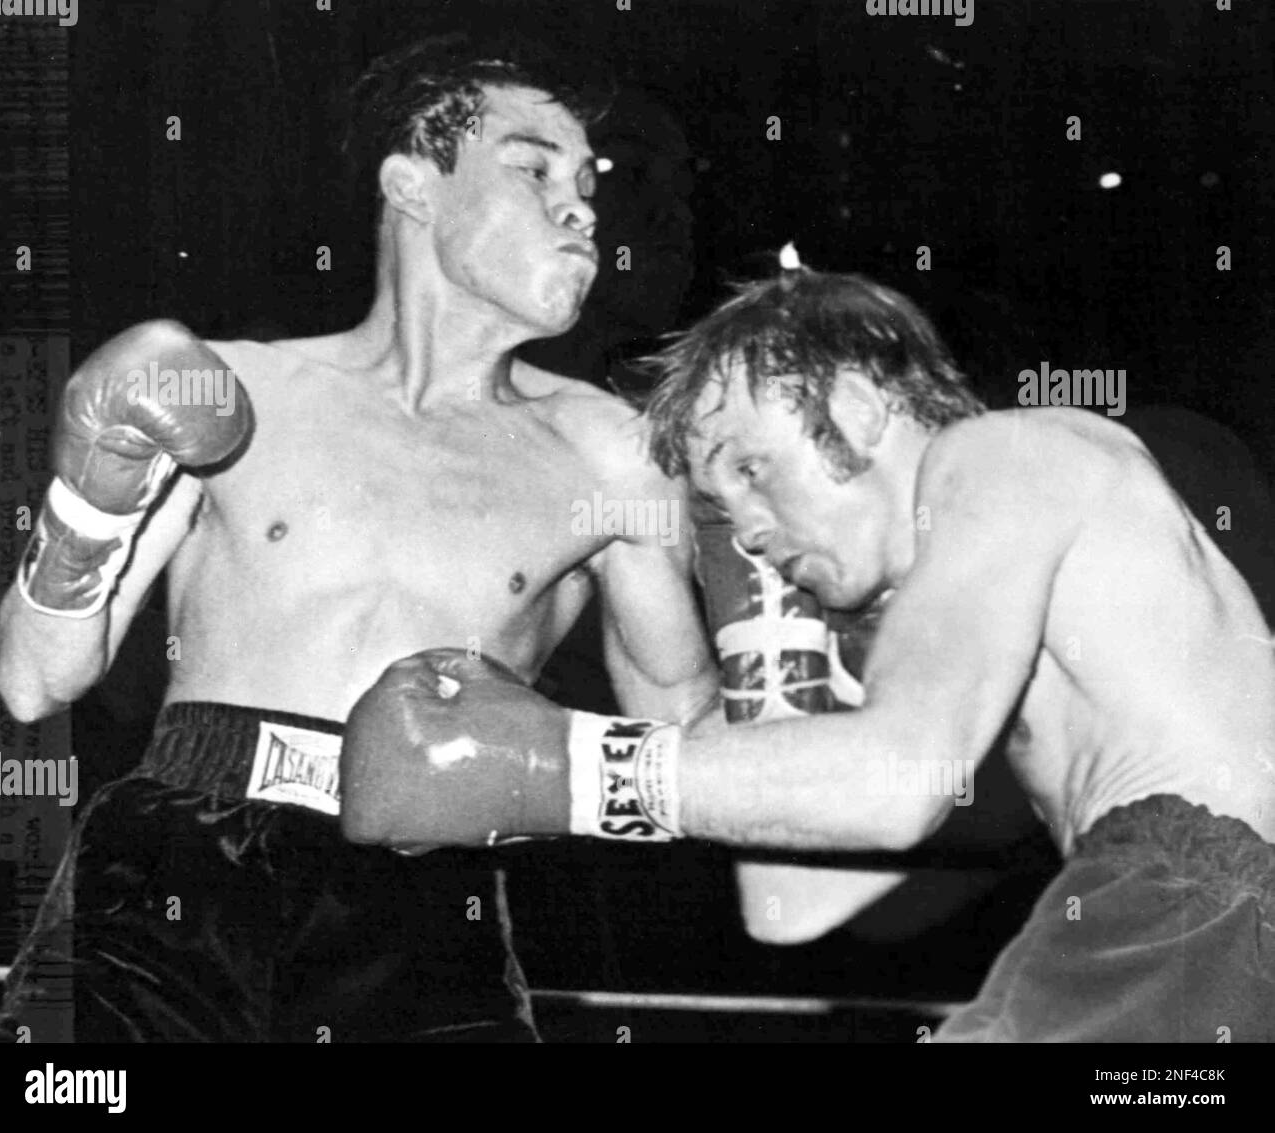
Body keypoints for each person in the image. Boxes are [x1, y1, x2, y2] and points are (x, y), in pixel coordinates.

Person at [0, 33, 717, 1043]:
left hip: (426, 905)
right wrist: (88, 500)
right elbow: (33, 680)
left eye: (587, 182)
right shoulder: (235, 391)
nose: (581, 204)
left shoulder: (605, 451)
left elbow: (684, 729)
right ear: (412, 186)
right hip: (174, 871)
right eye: (532, 166)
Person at [338, 268, 1275, 1042]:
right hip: (1195, 929)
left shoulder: (1003, 453)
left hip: (1200, 908)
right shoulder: (1002, 625)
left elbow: (894, 781)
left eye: (751, 468)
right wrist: (731, 638)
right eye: (721, 508)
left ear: (862, 408)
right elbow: (791, 904)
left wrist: (554, 763)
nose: (746, 530)